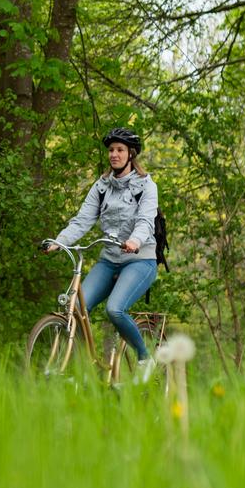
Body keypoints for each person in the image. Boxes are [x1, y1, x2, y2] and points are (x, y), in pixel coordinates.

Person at [46, 126, 159, 365]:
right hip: (109, 259)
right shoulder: (102, 186)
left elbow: (145, 221)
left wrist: (134, 241)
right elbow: (82, 220)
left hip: (140, 259)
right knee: (75, 308)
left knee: (114, 310)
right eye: (111, 150)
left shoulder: (146, 185)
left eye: (120, 150)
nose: (114, 154)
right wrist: (59, 241)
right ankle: (80, 367)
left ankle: (144, 358)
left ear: (131, 154)